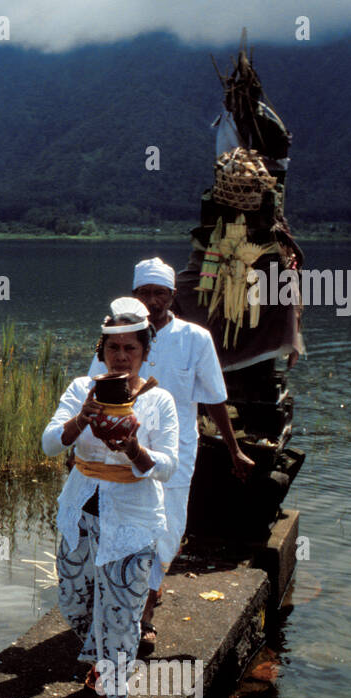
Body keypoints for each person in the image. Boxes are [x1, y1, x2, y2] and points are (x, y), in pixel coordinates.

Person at [88, 258, 254, 649]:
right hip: (119, 449)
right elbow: (91, 389)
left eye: (159, 292)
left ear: (172, 295)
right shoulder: (120, 337)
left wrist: (234, 449)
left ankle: (145, 610)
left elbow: (214, 399)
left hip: (174, 451)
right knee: (124, 523)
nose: (152, 299)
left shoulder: (195, 338)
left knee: (168, 528)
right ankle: (128, 602)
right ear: (134, 295)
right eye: (144, 292)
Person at [43, 299, 178, 698]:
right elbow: (48, 443)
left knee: (122, 615)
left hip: (133, 523)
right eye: (113, 348)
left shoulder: (159, 400)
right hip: (79, 511)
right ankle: (101, 660)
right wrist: (83, 416)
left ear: (144, 352)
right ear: (101, 351)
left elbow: (169, 465)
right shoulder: (82, 387)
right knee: (75, 599)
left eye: (130, 348)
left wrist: (133, 448)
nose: (121, 356)